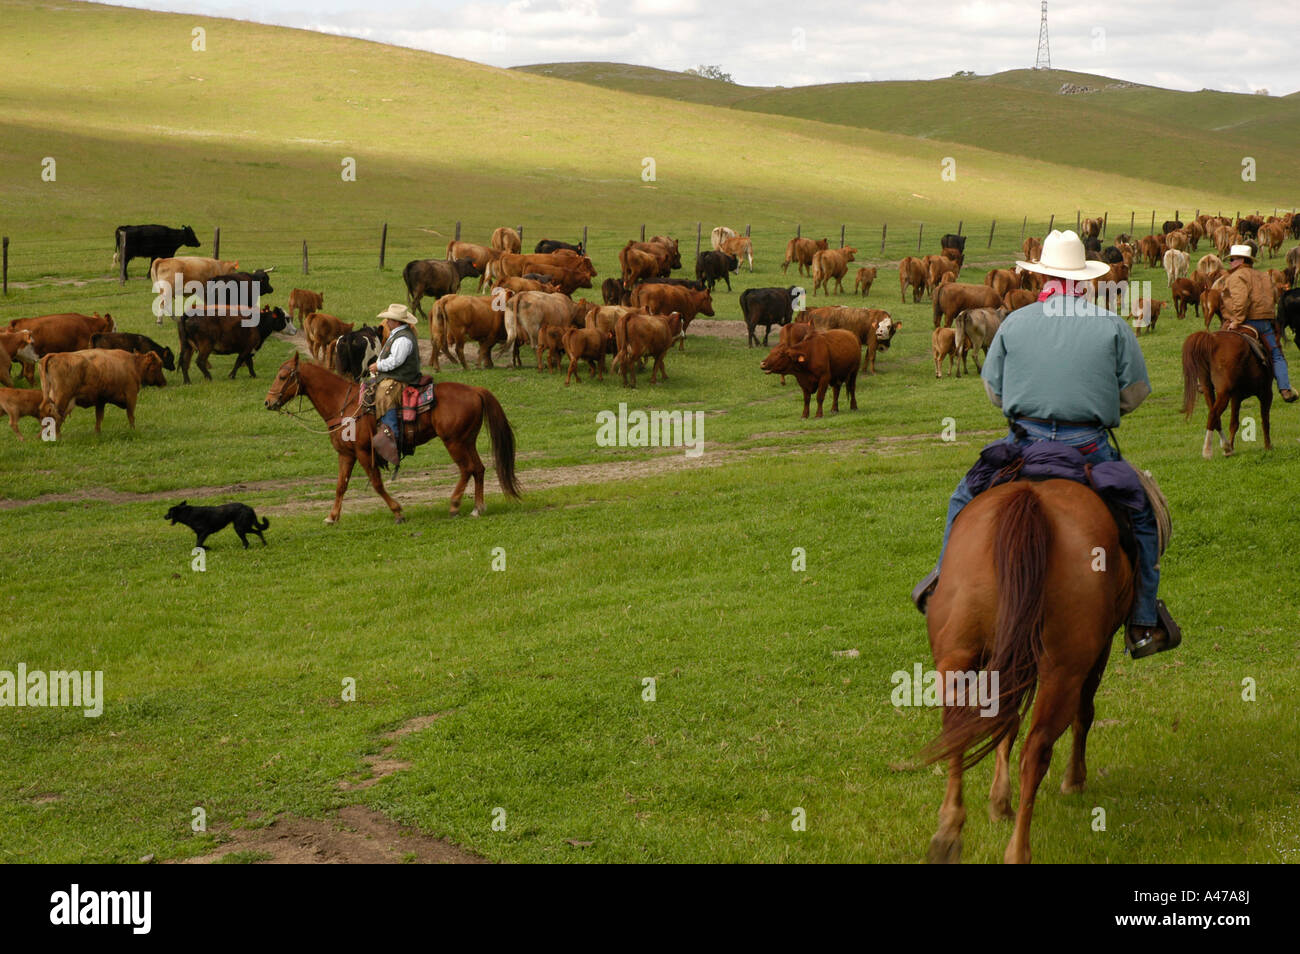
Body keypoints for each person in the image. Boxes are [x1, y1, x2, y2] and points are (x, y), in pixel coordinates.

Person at [911, 230, 1179, 659]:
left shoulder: (1015, 322)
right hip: (1089, 447)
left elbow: (994, 391)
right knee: (1142, 517)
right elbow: (1135, 394)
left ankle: (941, 579)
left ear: (1043, 277)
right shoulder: (1111, 325)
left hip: (1024, 444)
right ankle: (1143, 622)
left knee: (963, 495)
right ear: (1086, 280)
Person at [1220, 243, 1298, 403]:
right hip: (1265, 323)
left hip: (1246, 321)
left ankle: (1208, 381)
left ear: (1242, 260)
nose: (1230, 263)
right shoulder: (1264, 276)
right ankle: (1285, 389)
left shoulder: (1236, 277)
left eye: (1233, 259)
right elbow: (1273, 297)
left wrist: (1237, 321)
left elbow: (1241, 301)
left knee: (1218, 346)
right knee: (1276, 355)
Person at [363, 303, 423, 467]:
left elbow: (397, 361)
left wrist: (378, 366)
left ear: (396, 321)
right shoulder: (397, 334)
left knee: (384, 394)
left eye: (389, 319)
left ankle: (392, 436)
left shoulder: (403, 338)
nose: (387, 321)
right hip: (394, 374)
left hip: (402, 378)